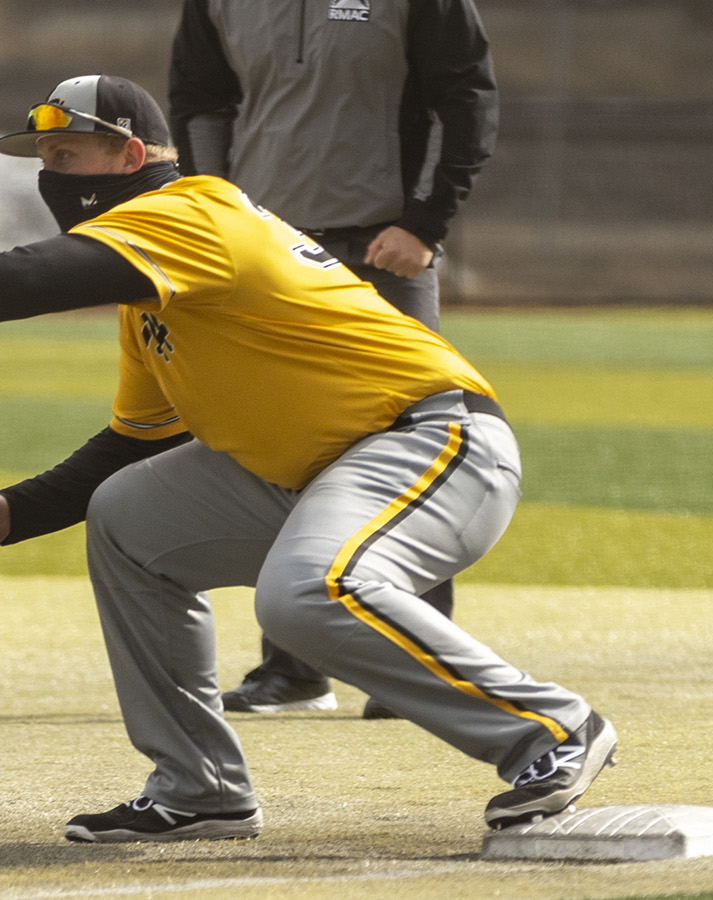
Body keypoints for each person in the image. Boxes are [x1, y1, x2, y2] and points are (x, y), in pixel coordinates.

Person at [0, 74, 615, 843]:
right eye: (44, 164)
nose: (51, 179)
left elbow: (34, 276)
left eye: (67, 157)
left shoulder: (194, 208)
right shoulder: (151, 298)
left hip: (433, 441)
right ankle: (199, 789)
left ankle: (550, 729)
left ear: (132, 157)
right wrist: (17, 510)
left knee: (305, 597)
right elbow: (136, 441)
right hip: (322, 474)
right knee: (128, 518)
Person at [167, 0, 499, 719]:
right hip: (263, 254)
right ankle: (291, 669)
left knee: (412, 441)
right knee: (276, 442)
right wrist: (215, 217)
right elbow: (201, 100)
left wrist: (423, 222)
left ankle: (408, 664)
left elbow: (465, 98)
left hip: (383, 249)